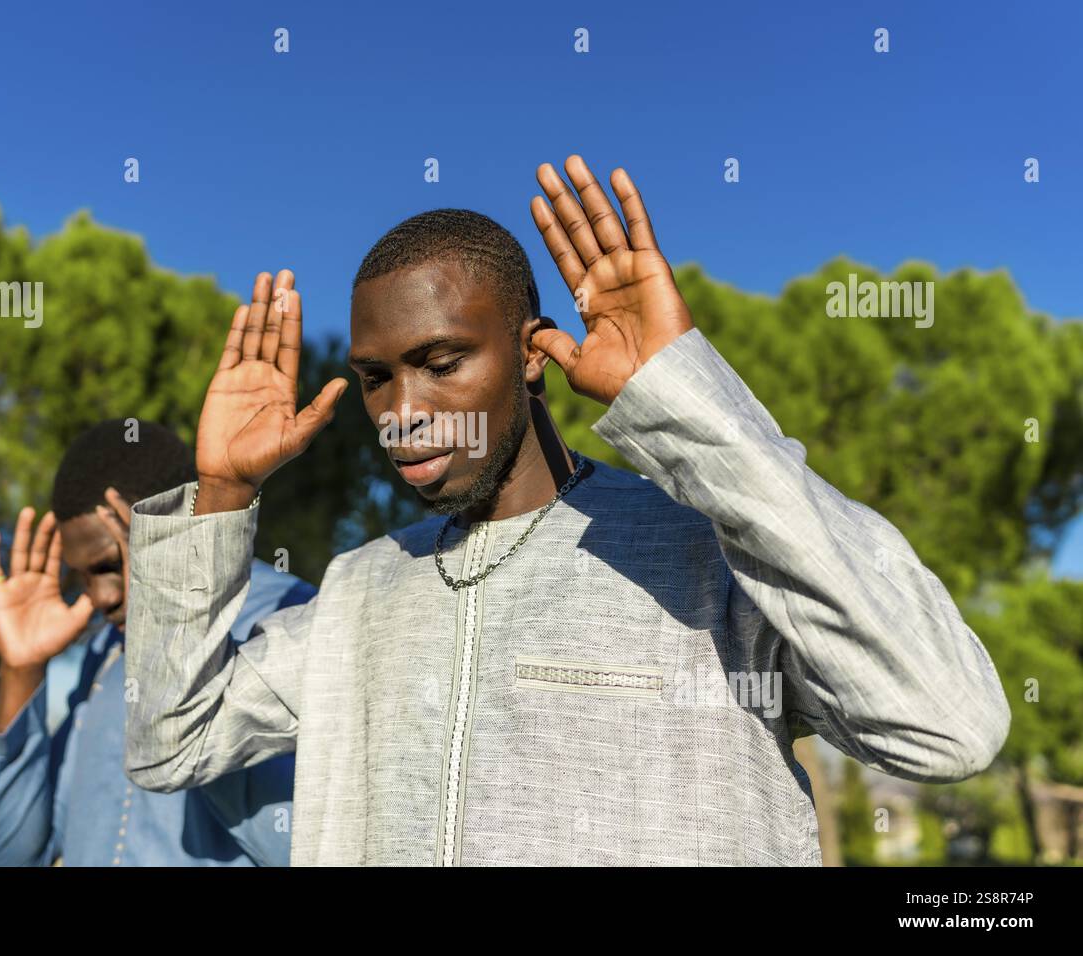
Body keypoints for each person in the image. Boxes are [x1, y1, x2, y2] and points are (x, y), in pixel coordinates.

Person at [122, 156, 1010, 865]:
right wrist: (224, 495)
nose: (403, 412)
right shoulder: (359, 590)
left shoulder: (711, 552)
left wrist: (692, 407)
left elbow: (949, 727)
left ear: (533, 352)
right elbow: (170, 745)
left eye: (442, 360)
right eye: (375, 377)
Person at [0, 419, 313, 866]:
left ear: (178, 520)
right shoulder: (105, 653)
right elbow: (12, 857)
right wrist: (22, 670)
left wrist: (168, 633)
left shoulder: (293, 617)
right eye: (83, 576)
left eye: (112, 564)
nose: (101, 598)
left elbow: (302, 849)